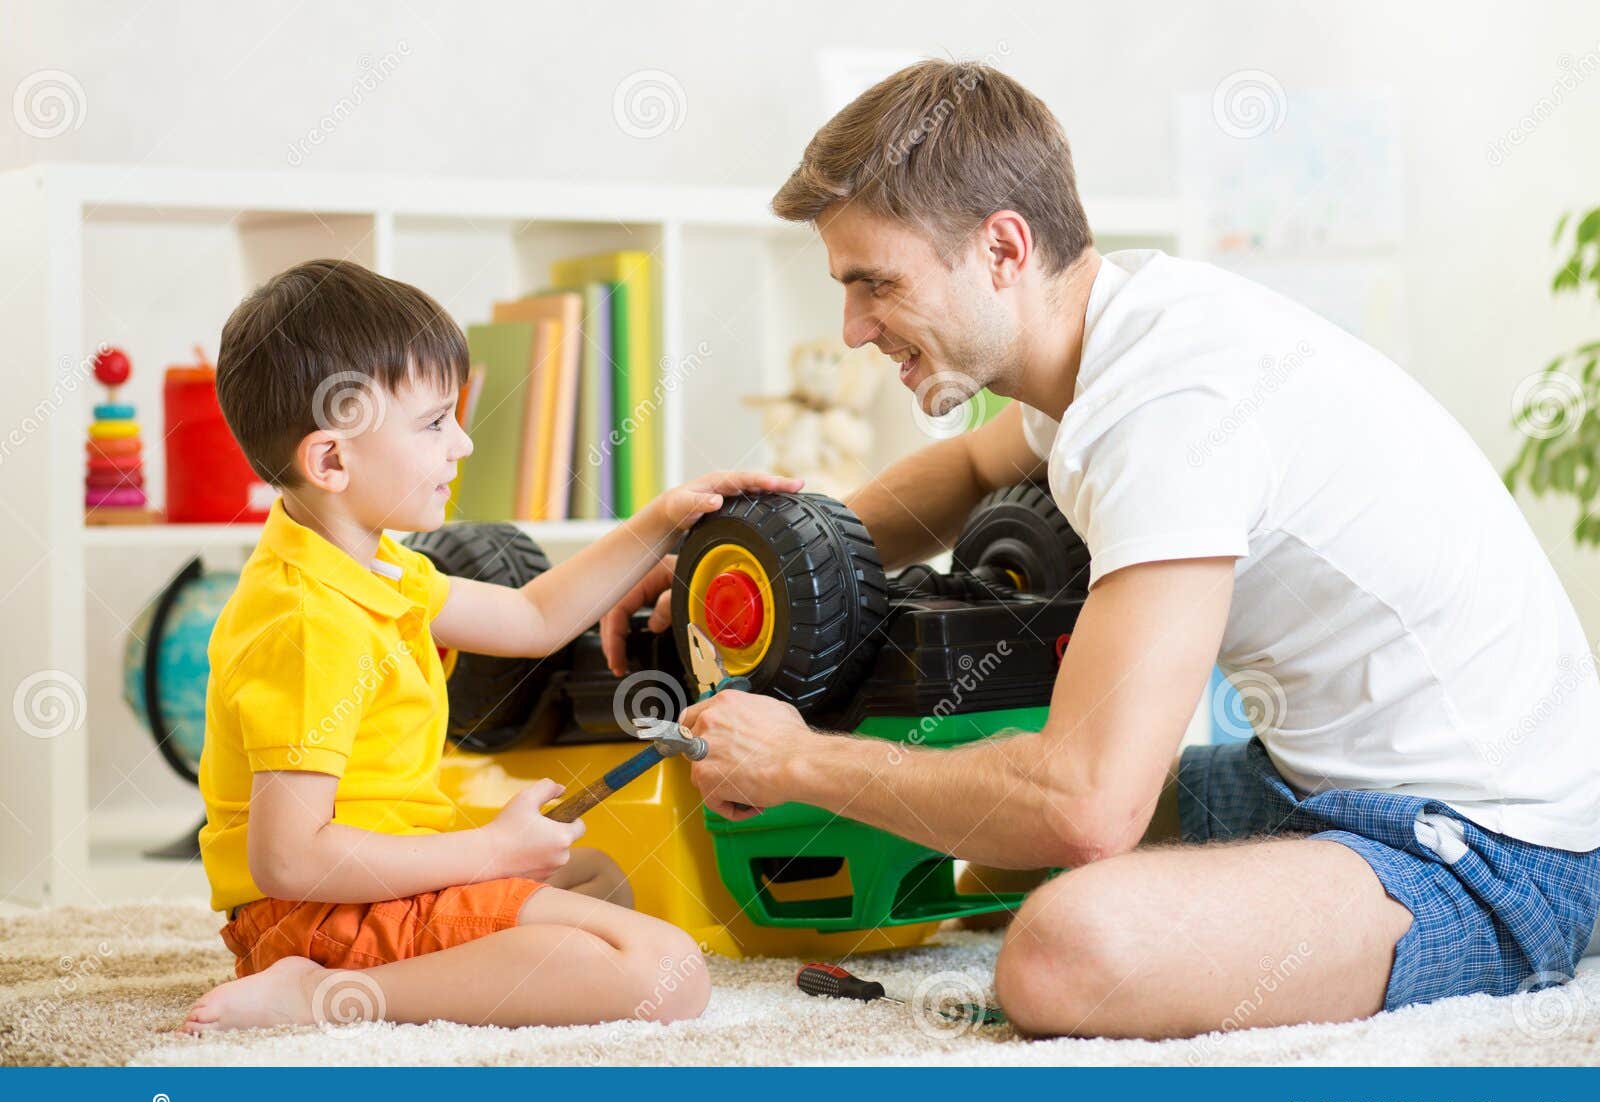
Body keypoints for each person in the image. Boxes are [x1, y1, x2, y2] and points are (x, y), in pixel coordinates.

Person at [602, 61, 1600, 1039]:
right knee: (982, 850)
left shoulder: (1165, 410)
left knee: (1063, 948)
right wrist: (759, 564)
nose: (855, 327)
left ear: (1001, 247)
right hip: (1310, 782)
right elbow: (961, 474)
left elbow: (1087, 807)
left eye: (877, 284)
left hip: (1493, 848)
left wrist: (799, 762)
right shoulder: (1117, 331)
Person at [183, 258, 800, 1032]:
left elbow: (532, 616)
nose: (464, 442)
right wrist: (486, 852)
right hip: (320, 908)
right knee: (667, 972)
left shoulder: (370, 567)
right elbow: (290, 858)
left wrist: (661, 522)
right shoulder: (309, 618)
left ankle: (370, 979)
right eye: (435, 422)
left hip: (360, 888)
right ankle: (318, 995)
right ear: (332, 460)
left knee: (600, 883)